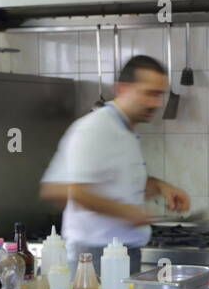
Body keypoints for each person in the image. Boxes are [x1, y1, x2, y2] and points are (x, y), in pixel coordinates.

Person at [40, 54, 190, 276]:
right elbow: (59, 189)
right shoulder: (95, 128)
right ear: (122, 89)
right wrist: (126, 213)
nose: (156, 103)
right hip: (95, 259)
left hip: (122, 254)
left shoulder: (126, 130)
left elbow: (117, 185)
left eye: (160, 95)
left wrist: (159, 187)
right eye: (149, 93)